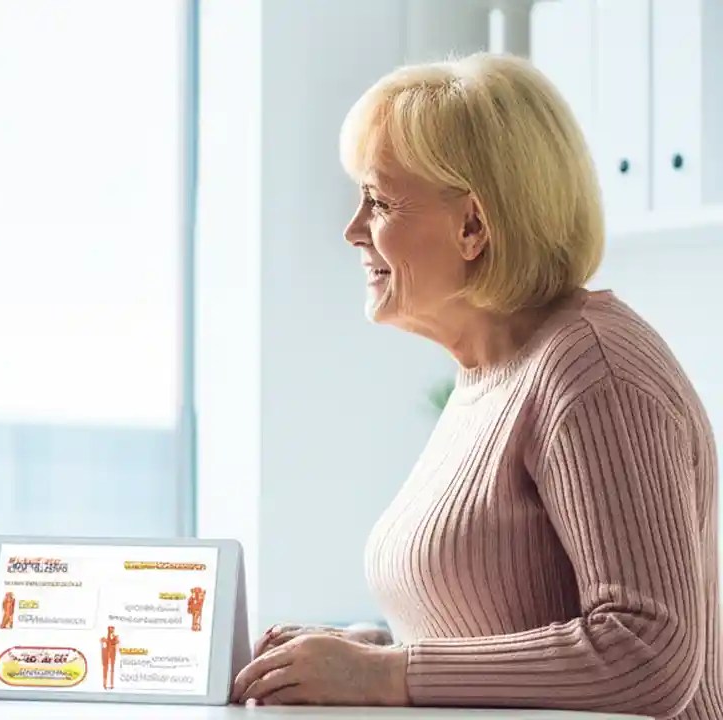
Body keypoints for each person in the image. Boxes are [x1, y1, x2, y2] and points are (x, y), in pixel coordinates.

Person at [233, 53, 721, 720]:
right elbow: (509, 618)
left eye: (377, 201)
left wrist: (386, 672)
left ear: (473, 226)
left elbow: (646, 652)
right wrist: (366, 649)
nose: (352, 231)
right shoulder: (493, 375)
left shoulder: (593, 369)